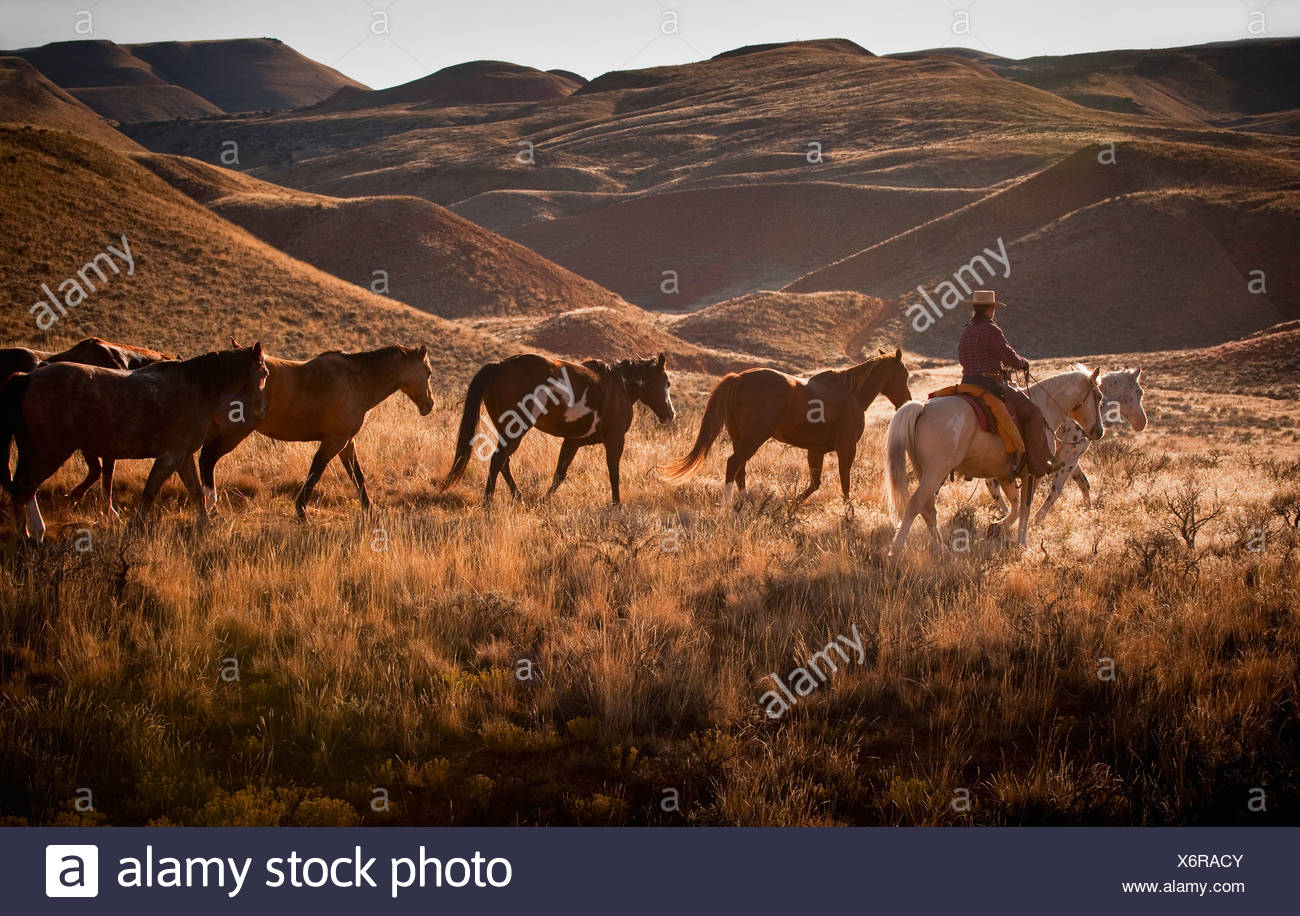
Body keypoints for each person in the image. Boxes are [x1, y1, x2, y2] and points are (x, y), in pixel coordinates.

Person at [957, 290, 1058, 476]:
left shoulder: (967, 330)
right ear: (990, 309)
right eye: (993, 308)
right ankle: (1039, 464)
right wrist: (1022, 363)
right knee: (1034, 412)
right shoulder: (991, 330)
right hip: (989, 384)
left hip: (967, 382)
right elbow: (1007, 354)